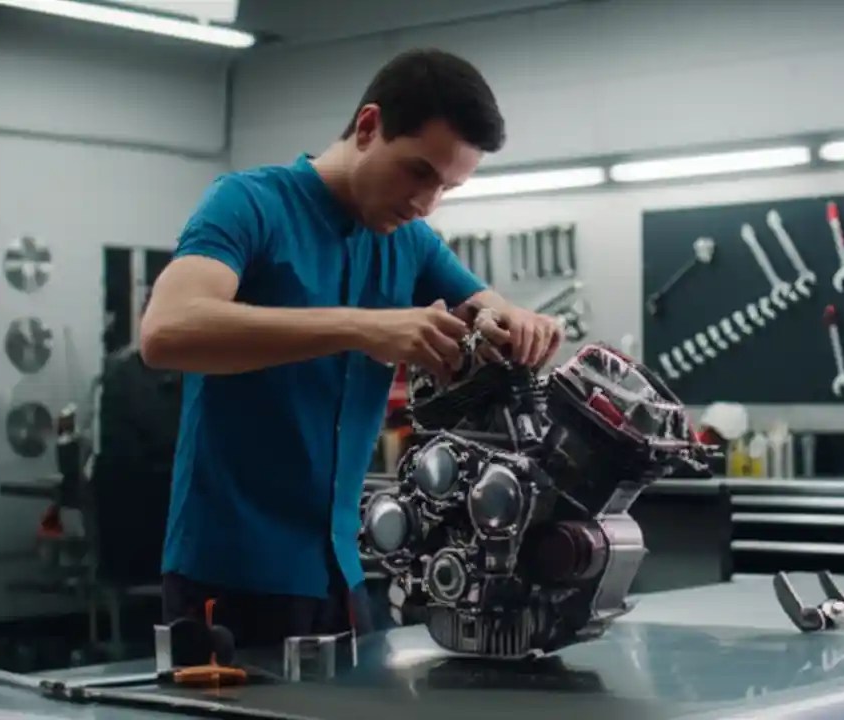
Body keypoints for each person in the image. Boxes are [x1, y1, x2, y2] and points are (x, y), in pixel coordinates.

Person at [139, 48, 561, 647]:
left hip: (342, 573)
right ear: (368, 127)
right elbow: (166, 331)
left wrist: (517, 323)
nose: (425, 203)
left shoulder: (410, 241)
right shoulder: (248, 204)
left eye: (446, 187)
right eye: (417, 172)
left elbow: (486, 304)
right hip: (228, 572)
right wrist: (364, 327)